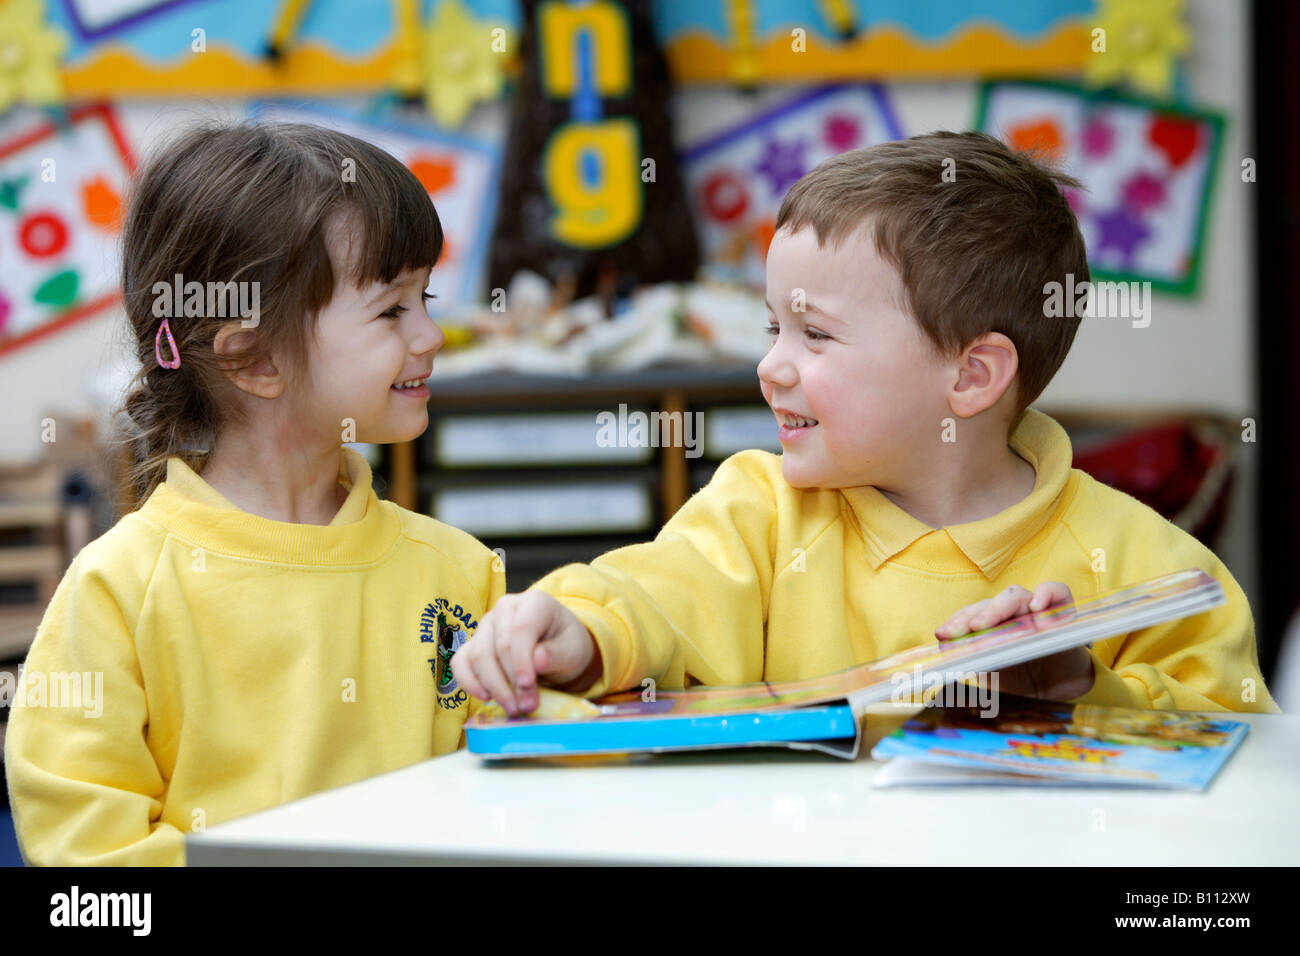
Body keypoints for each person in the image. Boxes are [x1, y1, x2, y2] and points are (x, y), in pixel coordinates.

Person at [452, 131, 1279, 717]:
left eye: (814, 334)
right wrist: (579, 631)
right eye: (773, 328)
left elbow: (1240, 757)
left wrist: (1081, 690)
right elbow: (652, 597)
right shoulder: (759, 511)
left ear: (971, 375)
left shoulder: (1155, 566)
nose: (771, 366)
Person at [3, 122, 599, 865]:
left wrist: (576, 689)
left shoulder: (459, 569)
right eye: (392, 310)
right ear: (253, 358)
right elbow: (85, 852)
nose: (433, 335)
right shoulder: (117, 592)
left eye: (427, 297)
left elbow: (525, 783)